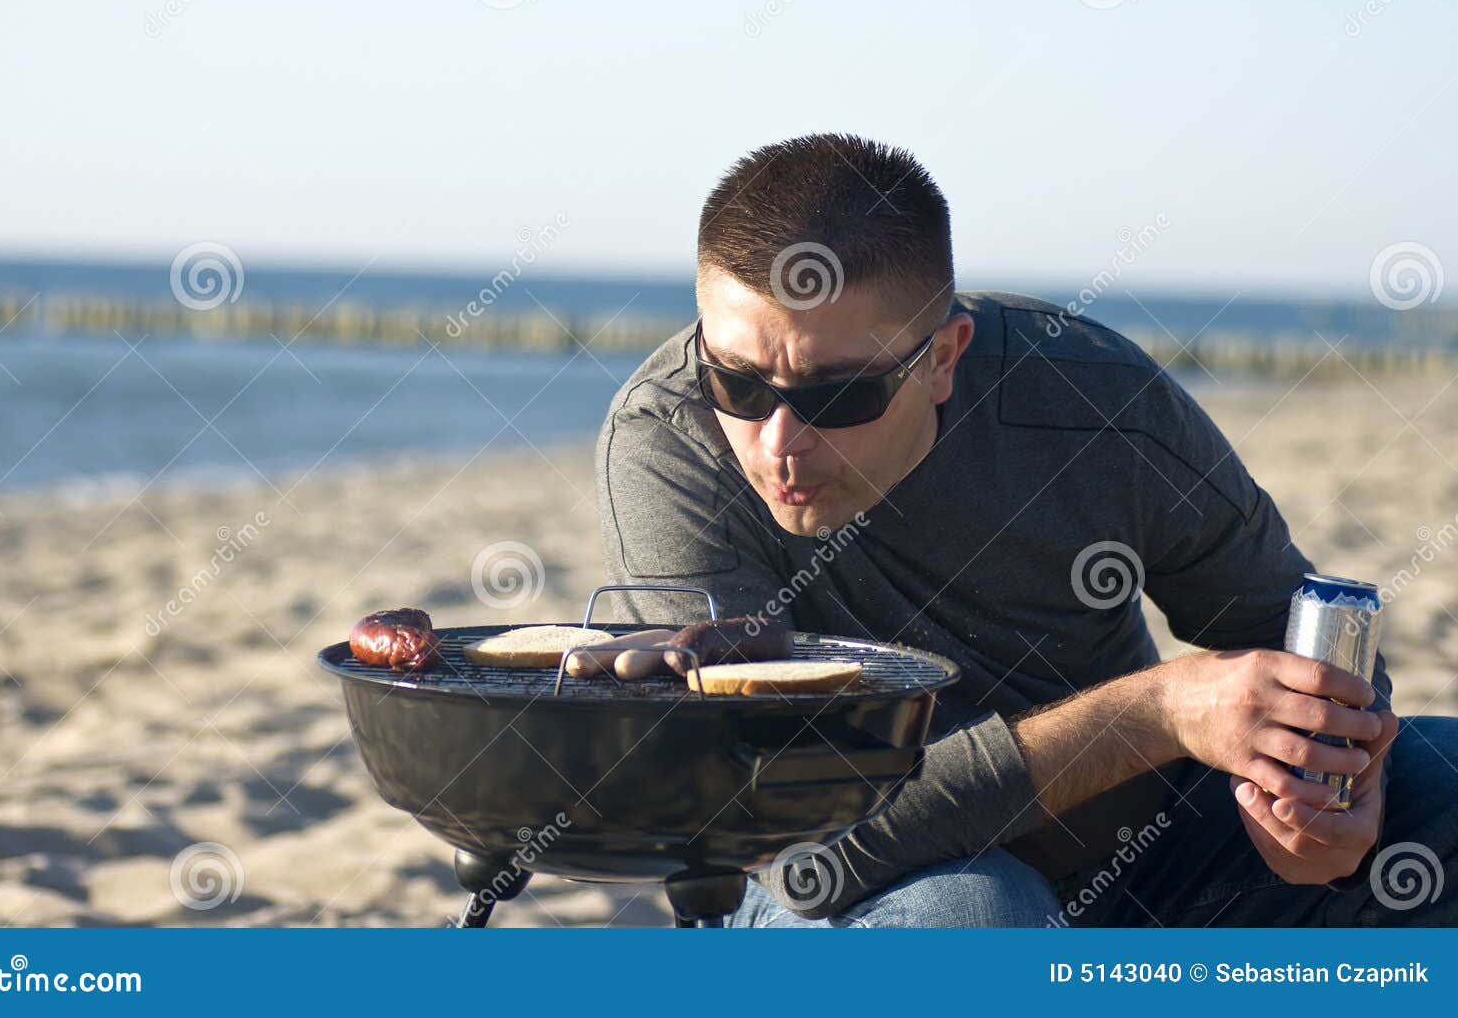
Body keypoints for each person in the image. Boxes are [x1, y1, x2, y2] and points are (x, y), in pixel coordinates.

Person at [594, 133, 1457, 927]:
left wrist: (1332, 792)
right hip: (849, 908)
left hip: (1150, 866)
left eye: (837, 395)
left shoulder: (1093, 400)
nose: (778, 441)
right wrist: (1155, 713)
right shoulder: (667, 442)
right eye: (737, 384)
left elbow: (1295, 633)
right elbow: (803, 849)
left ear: (943, 357)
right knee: (975, 913)